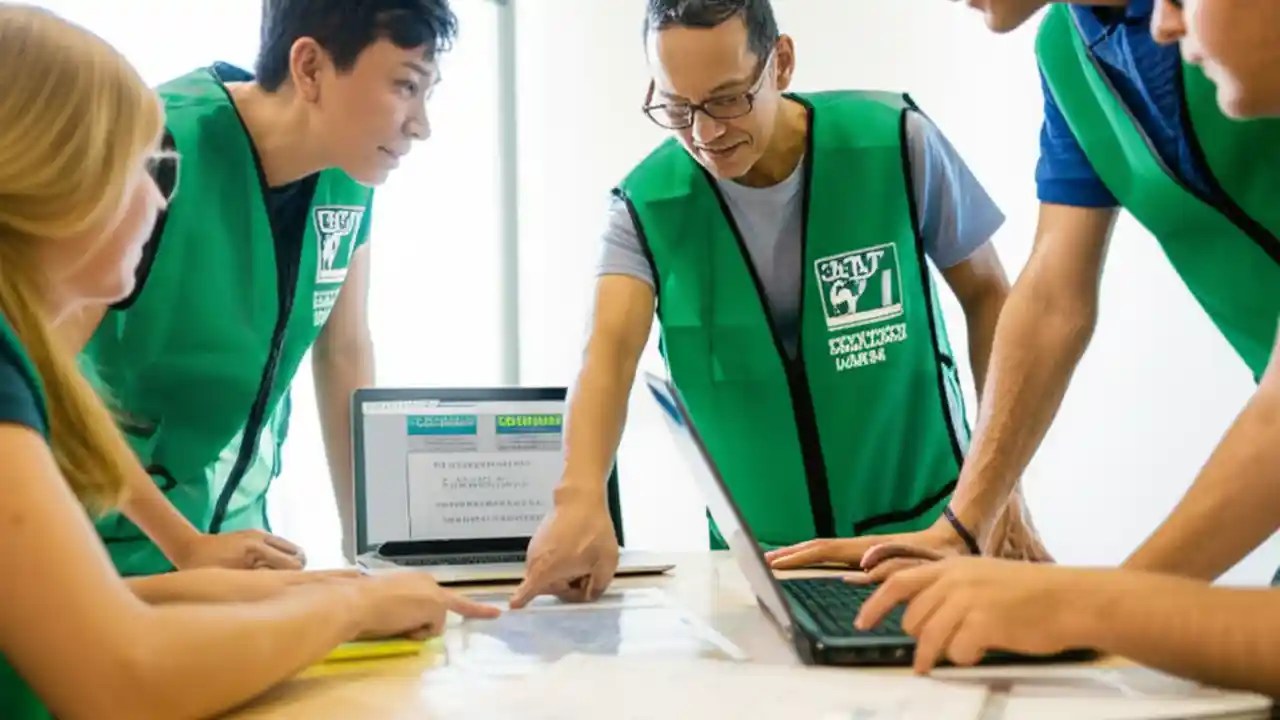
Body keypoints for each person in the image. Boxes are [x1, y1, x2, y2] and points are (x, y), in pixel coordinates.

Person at [0, 7, 498, 718]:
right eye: (142, 170)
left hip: (193, 554)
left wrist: (349, 578)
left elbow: (345, 347)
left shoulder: (347, 185)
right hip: (108, 537)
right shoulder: (175, 132)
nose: (158, 196)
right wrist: (339, 609)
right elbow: (123, 673)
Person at [512, 0, 1050, 608]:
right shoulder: (643, 209)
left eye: (727, 99)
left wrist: (1000, 493)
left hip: (923, 541)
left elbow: (992, 299)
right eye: (678, 107)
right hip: (760, 576)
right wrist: (580, 498)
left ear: (782, 63)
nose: (706, 133)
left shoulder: (896, 142)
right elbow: (605, 357)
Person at [850, 0, 1280, 698]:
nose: (1168, 27)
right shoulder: (1069, 51)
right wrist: (968, 525)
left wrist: (1092, 608)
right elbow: (1051, 294)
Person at [62, 0, 455, 576]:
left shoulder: (350, 174)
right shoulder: (155, 147)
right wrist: (184, 545)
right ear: (311, 69)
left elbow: (344, 351)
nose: (421, 124)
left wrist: (372, 554)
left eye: (428, 92)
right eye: (405, 86)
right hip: (90, 538)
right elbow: (49, 372)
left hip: (231, 538)